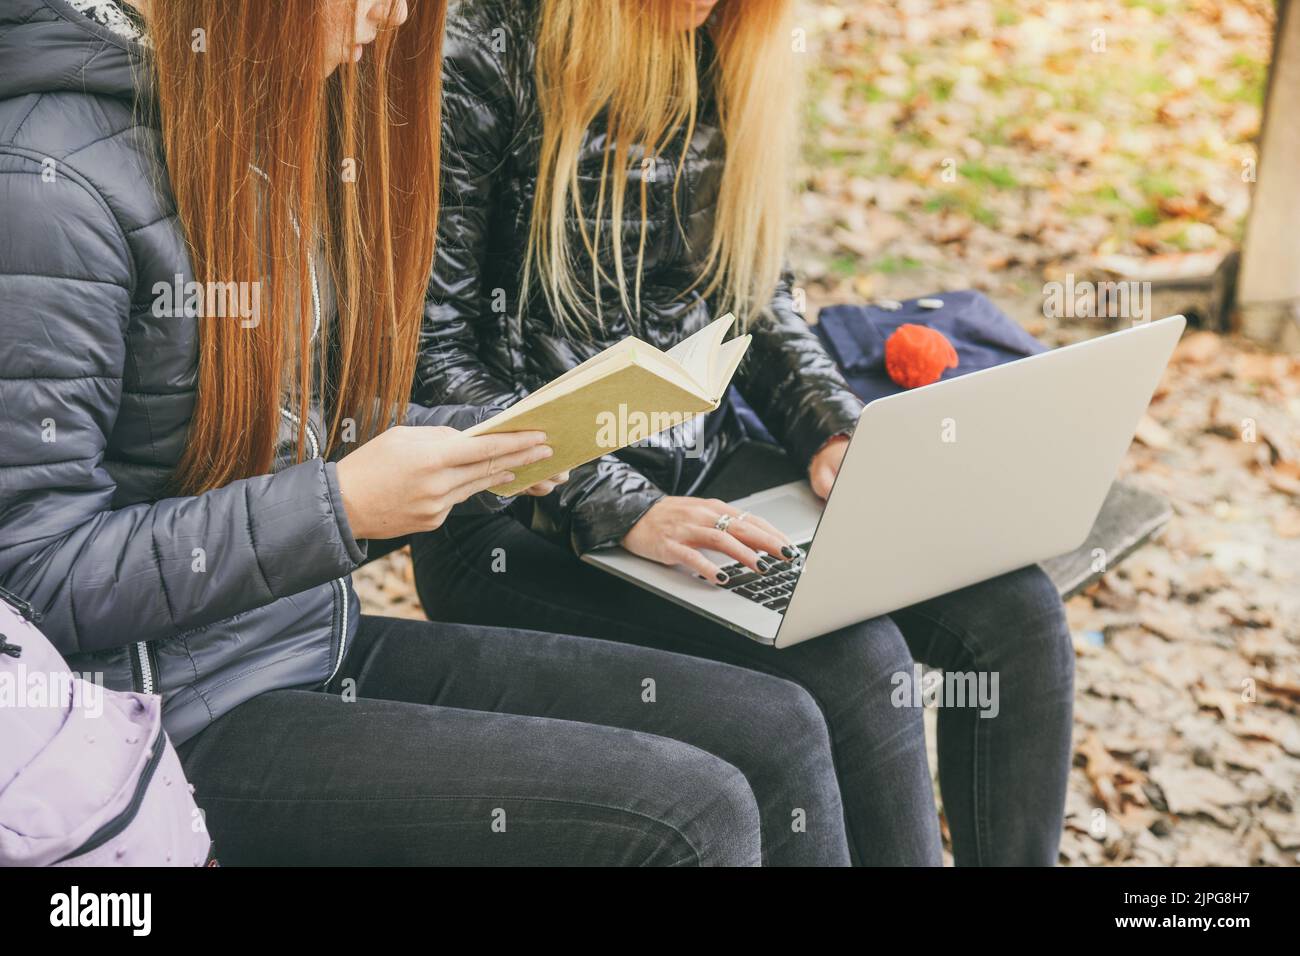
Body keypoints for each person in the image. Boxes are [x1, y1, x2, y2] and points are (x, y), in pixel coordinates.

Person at [0, 0, 852, 866]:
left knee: (774, 731)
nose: (396, 13)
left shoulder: (231, 108)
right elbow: (31, 576)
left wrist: (488, 441)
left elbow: (290, 426)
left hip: (303, 644)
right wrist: (340, 506)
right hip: (159, 725)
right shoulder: (44, 187)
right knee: (689, 812)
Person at [411, 0, 1076, 865]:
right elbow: (430, 357)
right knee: (856, 662)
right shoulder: (487, 46)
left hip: (705, 460)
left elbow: (751, 292)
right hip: (519, 517)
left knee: (1016, 611)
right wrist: (617, 503)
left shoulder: (723, 44)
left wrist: (830, 429)